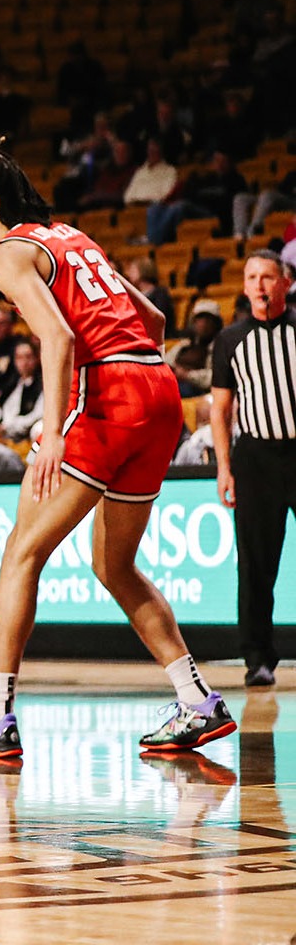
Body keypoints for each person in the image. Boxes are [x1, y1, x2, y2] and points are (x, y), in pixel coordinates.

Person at [0, 140, 236, 758]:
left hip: (106, 392)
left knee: (20, 554)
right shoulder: (72, 237)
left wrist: (53, 431)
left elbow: (57, 338)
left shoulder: (8, 252)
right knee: (113, 565)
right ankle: (197, 701)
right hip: (157, 392)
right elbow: (154, 321)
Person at [209, 251, 296, 687]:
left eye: (268, 277)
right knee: (256, 564)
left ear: (285, 283)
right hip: (256, 459)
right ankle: (257, 657)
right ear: (244, 286)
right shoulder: (230, 340)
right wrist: (225, 467)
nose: (260, 285)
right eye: (252, 277)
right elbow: (221, 408)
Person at [165, 298, 223, 397]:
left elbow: (216, 378)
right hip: (173, 382)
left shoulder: (220, 347)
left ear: (216, 324)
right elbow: (165, 362)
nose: (203, 324)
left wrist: (187, 375)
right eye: (200, 319)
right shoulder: (184, 345)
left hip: (195, 389)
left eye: (208, 320)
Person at [0, 336, 45, 442]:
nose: (24, 362)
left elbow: (37, 415)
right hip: (6, 428)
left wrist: (8, 426)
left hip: (25, 430)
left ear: (36, 358)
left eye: (28, 357)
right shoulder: (12, 382)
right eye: (19, 358)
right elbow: (2, 408)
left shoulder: (43, 384)